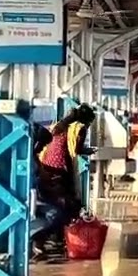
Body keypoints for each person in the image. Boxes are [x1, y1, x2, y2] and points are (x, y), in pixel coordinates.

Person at [32, 105, 95, 259]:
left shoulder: (60, 125)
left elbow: (53, 136)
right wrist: (88, 151)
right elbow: (76, 150)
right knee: (68, 206)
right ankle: (48, 240)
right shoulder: (80, 128)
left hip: (48, 166)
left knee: (64, 204)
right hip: (60, 170)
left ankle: (52, 239)